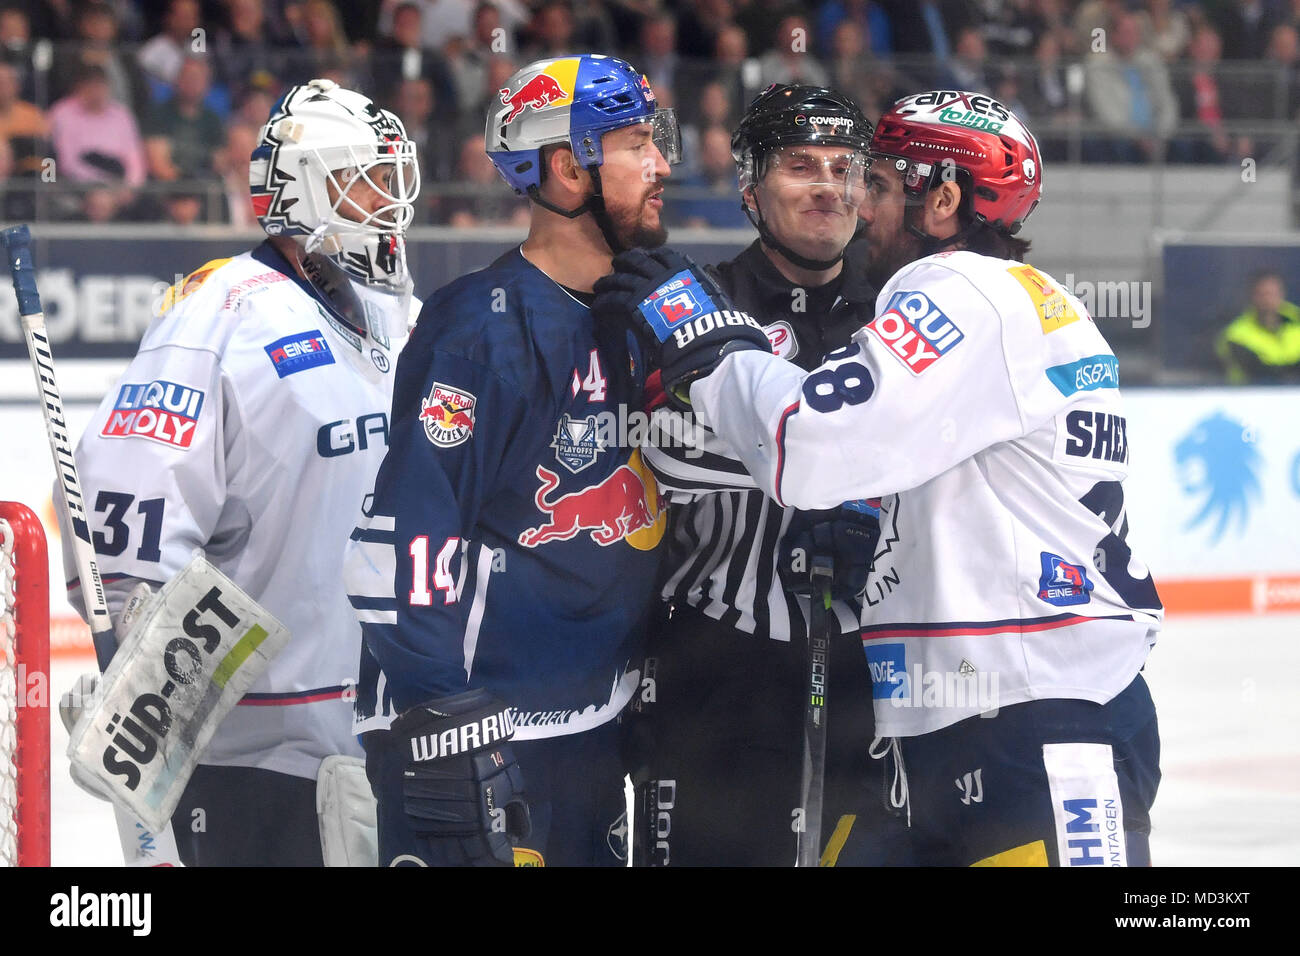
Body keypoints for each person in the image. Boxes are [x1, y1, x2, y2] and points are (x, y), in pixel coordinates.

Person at [597, 90, 1164, 867]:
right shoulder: (1025, 300)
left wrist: (708, 345)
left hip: (1033, 718)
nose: (860, 204)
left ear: (944, 199)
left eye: (882, 185)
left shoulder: (960, 293)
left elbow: (810, 440)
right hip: (983, 710)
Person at [62, 78, 421, 866]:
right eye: (364, 178)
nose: (387, 198)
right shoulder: (221, 313)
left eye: (390, 177)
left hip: (383, 730)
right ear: (302, 193)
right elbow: (126, 503)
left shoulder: (392, 312)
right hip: (253, 759)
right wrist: (141, 679)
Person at [343, 54, 679, 867]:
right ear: (570, 168)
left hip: (587, 723)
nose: (663, 163)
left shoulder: (644, 313)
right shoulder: (479, 328)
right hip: (474, 736)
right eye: (637, 143)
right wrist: (441, 718)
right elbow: (408, 534)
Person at [628, 84, 885, 866]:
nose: (828, 187)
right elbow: (662, 445)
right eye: (802, 165)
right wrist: (831, 468)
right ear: (749, 187)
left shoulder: (897, 309)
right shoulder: (697, 298)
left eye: (846, 169)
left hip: (865, 667)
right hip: (714, 664)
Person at [1217, 270, 1300, 384]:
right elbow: (1260, 373)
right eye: (1263, 294)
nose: (1268, 300)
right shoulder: (1235, 336)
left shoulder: (1296, 321)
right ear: (1252, 296)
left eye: (1273, 293)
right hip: (1254, 396)